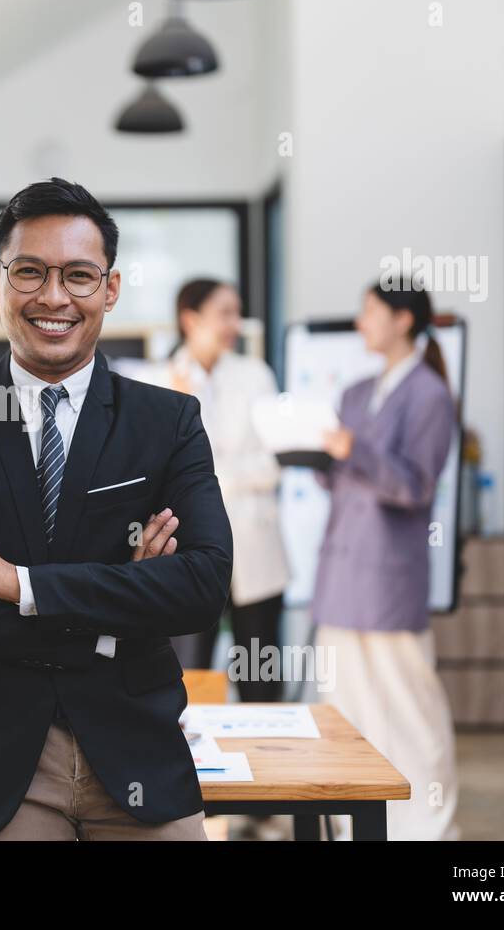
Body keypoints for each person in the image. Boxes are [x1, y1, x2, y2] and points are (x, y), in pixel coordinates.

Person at [0, 178, 233, 840]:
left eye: (78, 276)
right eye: (30, 273)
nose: (53, 297)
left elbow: (201, 587)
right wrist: (122, 603)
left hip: (137, 753)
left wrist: (15, 583)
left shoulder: (168, 422)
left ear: (110, 289)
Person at [311, 277, 460, 841]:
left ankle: (427, 827)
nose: (360, 323)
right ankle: (357, 827)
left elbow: (415, 487)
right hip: (341, 573)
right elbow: (342, 482)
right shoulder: (353, 392)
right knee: (347, 714)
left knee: (411, 713)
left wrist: (356, 452)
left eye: (370, 312)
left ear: (402, 319)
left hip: (389, 582)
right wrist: (318, 456)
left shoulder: (430, 395)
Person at [166, 279, 291, 702]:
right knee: (189, 673)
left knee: (260, 672)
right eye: (224, 313)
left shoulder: (255, 375)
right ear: (190, 318)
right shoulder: (162, 380)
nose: (234, 324)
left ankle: (268, 760)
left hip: (254, 544)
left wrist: (212, 474)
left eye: (237, 313)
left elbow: (275, 463)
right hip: (191, 547)